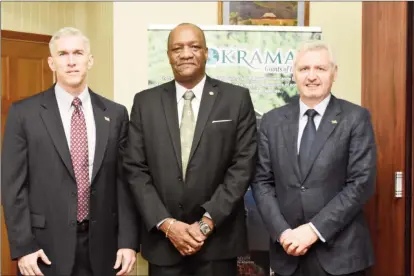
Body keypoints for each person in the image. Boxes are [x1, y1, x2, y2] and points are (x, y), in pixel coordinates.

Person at [1, 27, 139, 276]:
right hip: (43, 249)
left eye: (78, 53)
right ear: (52, 62)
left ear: (90, 60)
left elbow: (125, 183)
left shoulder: (115, 114)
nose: (72, 61)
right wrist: (24, 247)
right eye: (63, 54)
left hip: (104, 248)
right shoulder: (24, 113)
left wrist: (128, 242)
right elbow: (13, 187)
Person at [123, 23, 257, 276]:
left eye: (194, 47)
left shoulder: (236, 99)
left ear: (206, 52)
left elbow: (243, 166)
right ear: (168, 55)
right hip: (163, 243)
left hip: (218, 242)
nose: (185, 54)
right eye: (177, 48)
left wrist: (205, 224)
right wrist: (168, 225)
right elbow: (135, 168)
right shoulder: (145, 102)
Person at [251, 41, 376, 276]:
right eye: (304, 69)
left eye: (320, 68)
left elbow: (361, 184)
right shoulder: (272, 121)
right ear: (294, 74)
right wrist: (283, 233)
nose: (311, 76)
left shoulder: (355, 118)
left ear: (334, 73)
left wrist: (313, 230)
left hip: (341, 256)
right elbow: (261, 181)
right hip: (287, 254)